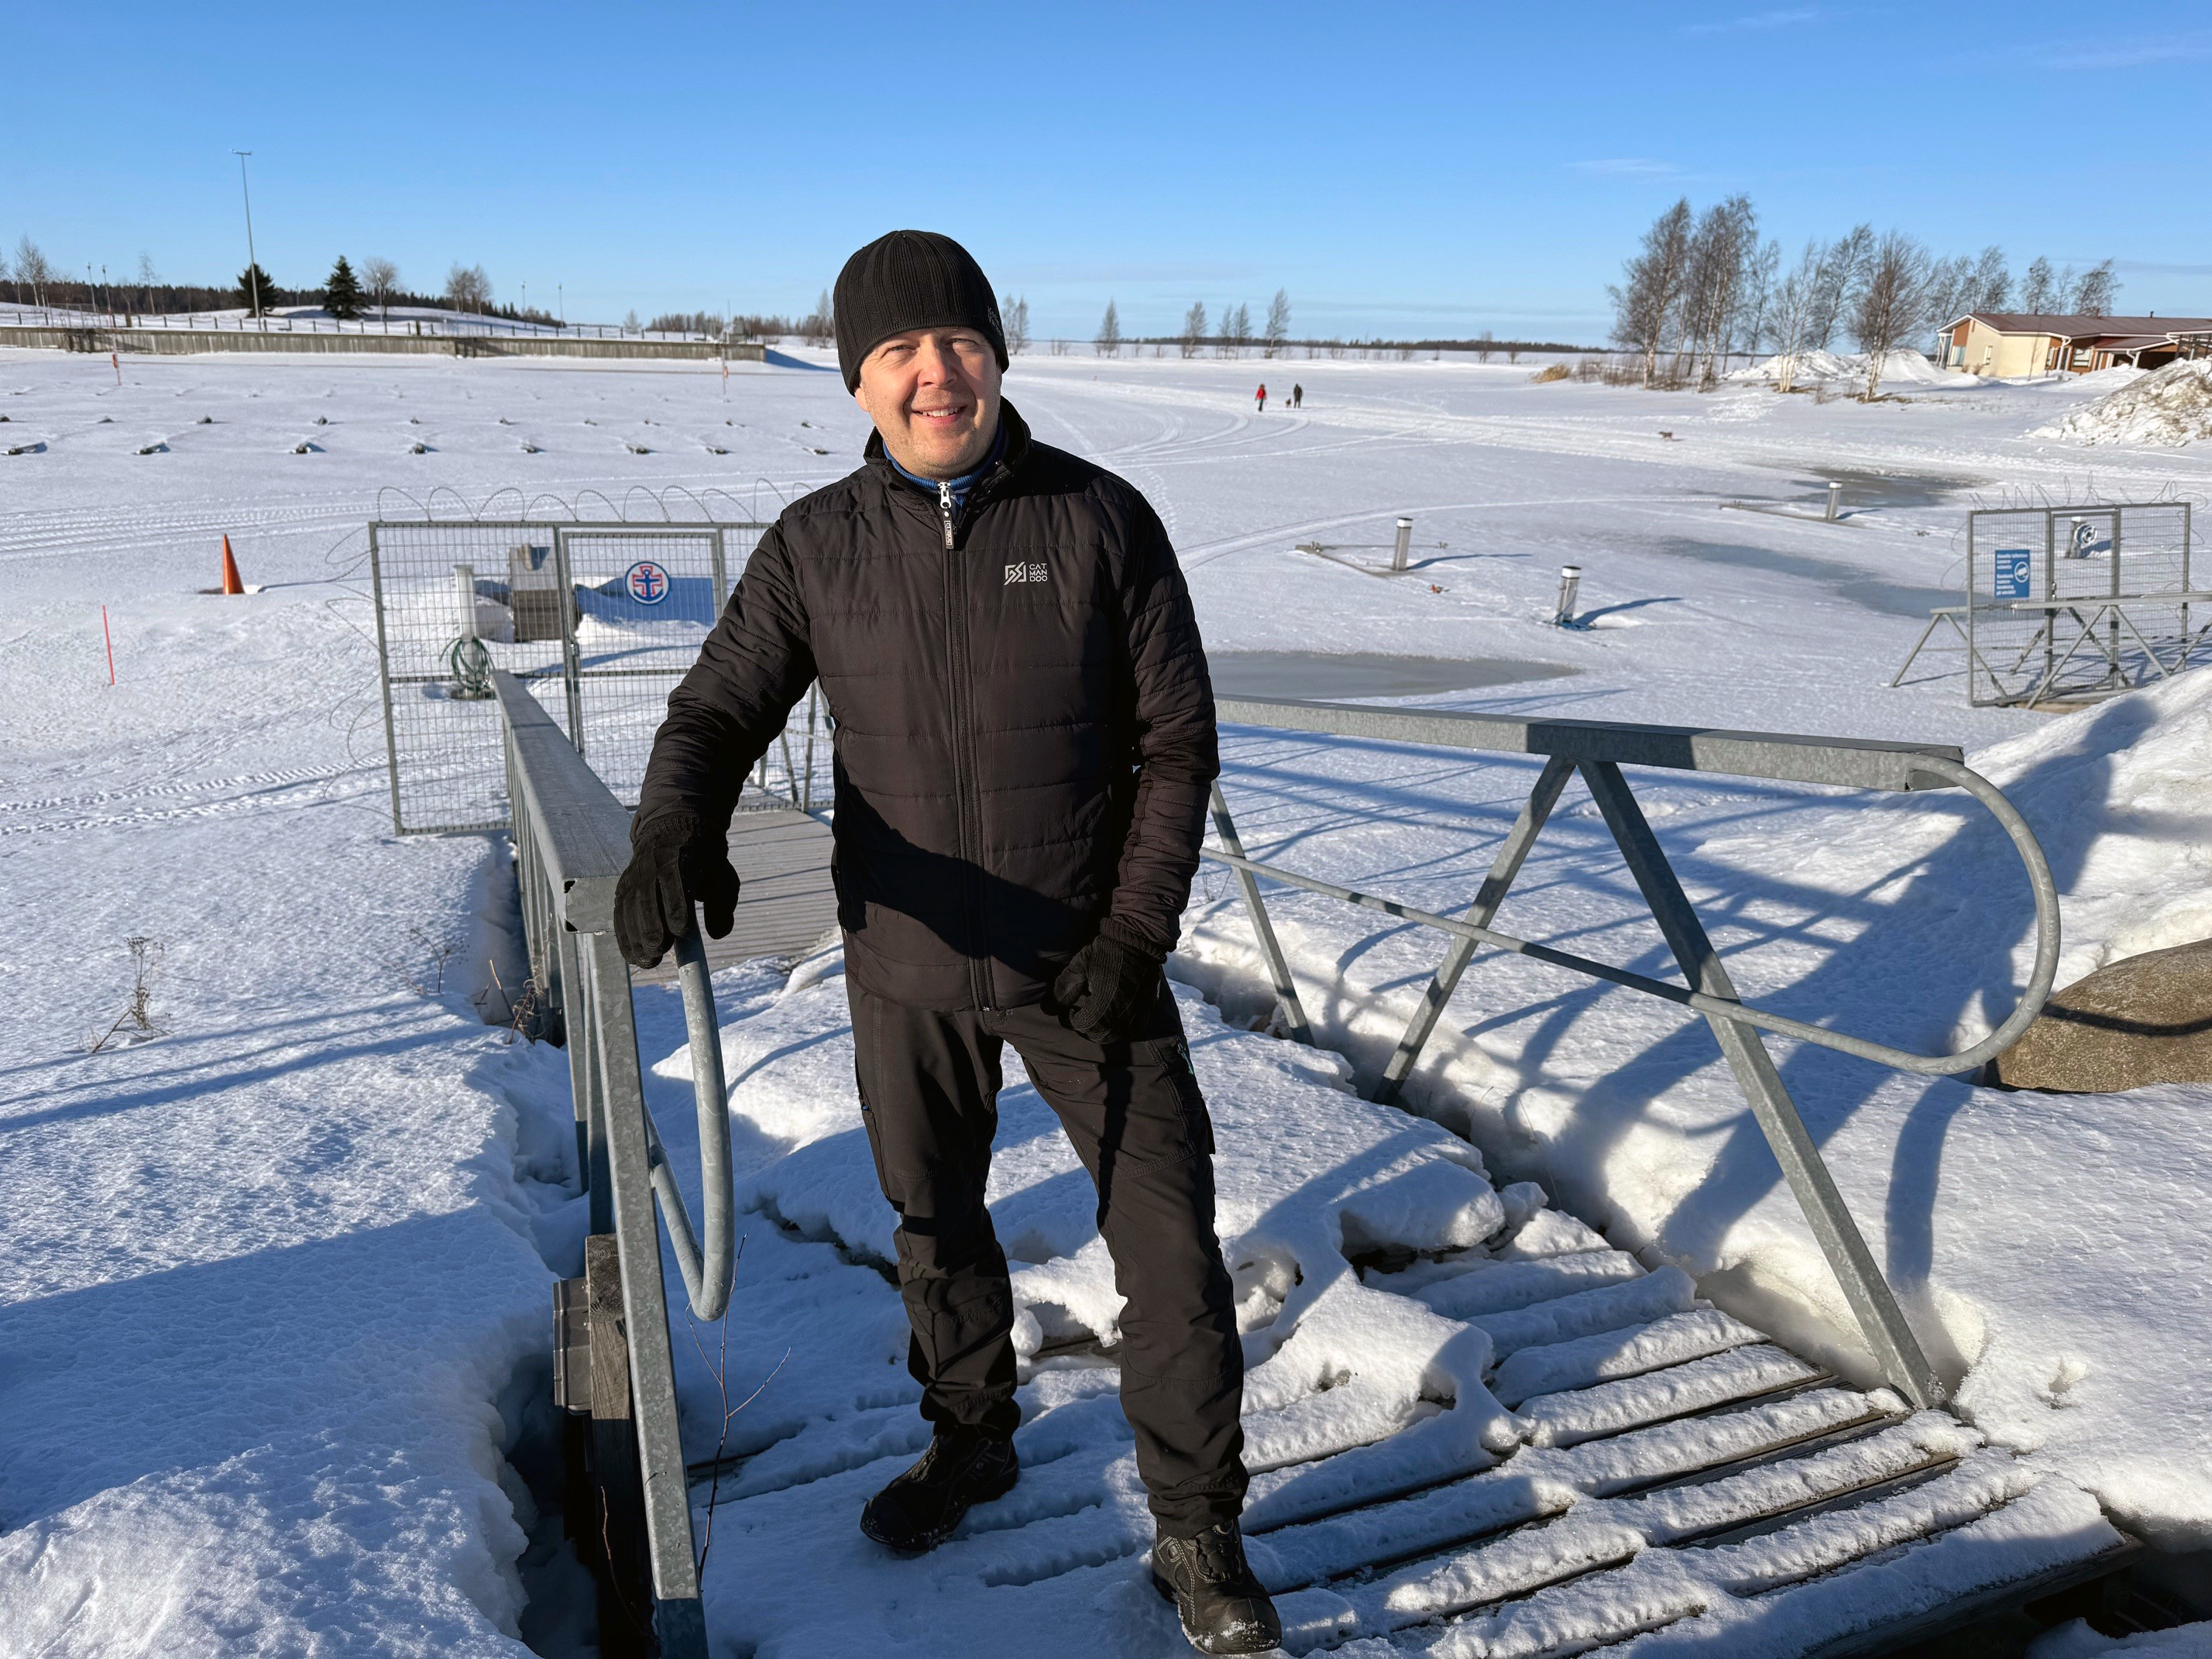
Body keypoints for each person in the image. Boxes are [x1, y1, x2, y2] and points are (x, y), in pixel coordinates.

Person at [613, 230, 1281, 1657]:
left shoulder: (1104, 519)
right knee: (936, 1223)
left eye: (959, 343)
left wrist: (1133, 935)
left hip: (1090, 961)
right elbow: (717, 713)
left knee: (1166, 1251)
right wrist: (678, 831)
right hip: (908, 962)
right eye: (898, 353)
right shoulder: (817, 544)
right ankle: (972, 1438)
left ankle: (1197, 1527)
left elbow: (1180, 743)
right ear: (856, 380)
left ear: (997, 353)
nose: (935, 375)